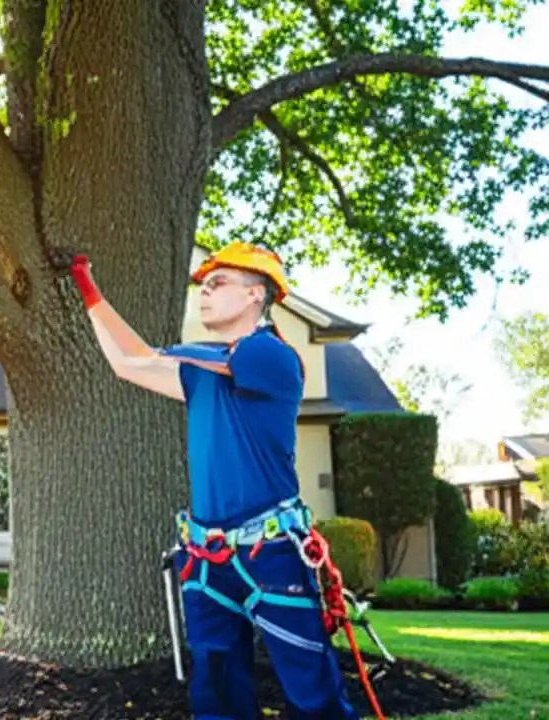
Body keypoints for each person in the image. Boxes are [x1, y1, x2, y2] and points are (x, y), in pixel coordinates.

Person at [67, 242, 359, 720]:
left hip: (272, 553)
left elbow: (149, 353)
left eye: (218, 283)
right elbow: (126, 363)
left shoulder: (272, 355)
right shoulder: (201, 374)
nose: (204, 292)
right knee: (217, 691)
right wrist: (87, 287)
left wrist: (145, 342)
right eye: (202, 285)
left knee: (312, 693)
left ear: (255, 295)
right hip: (207, 556)